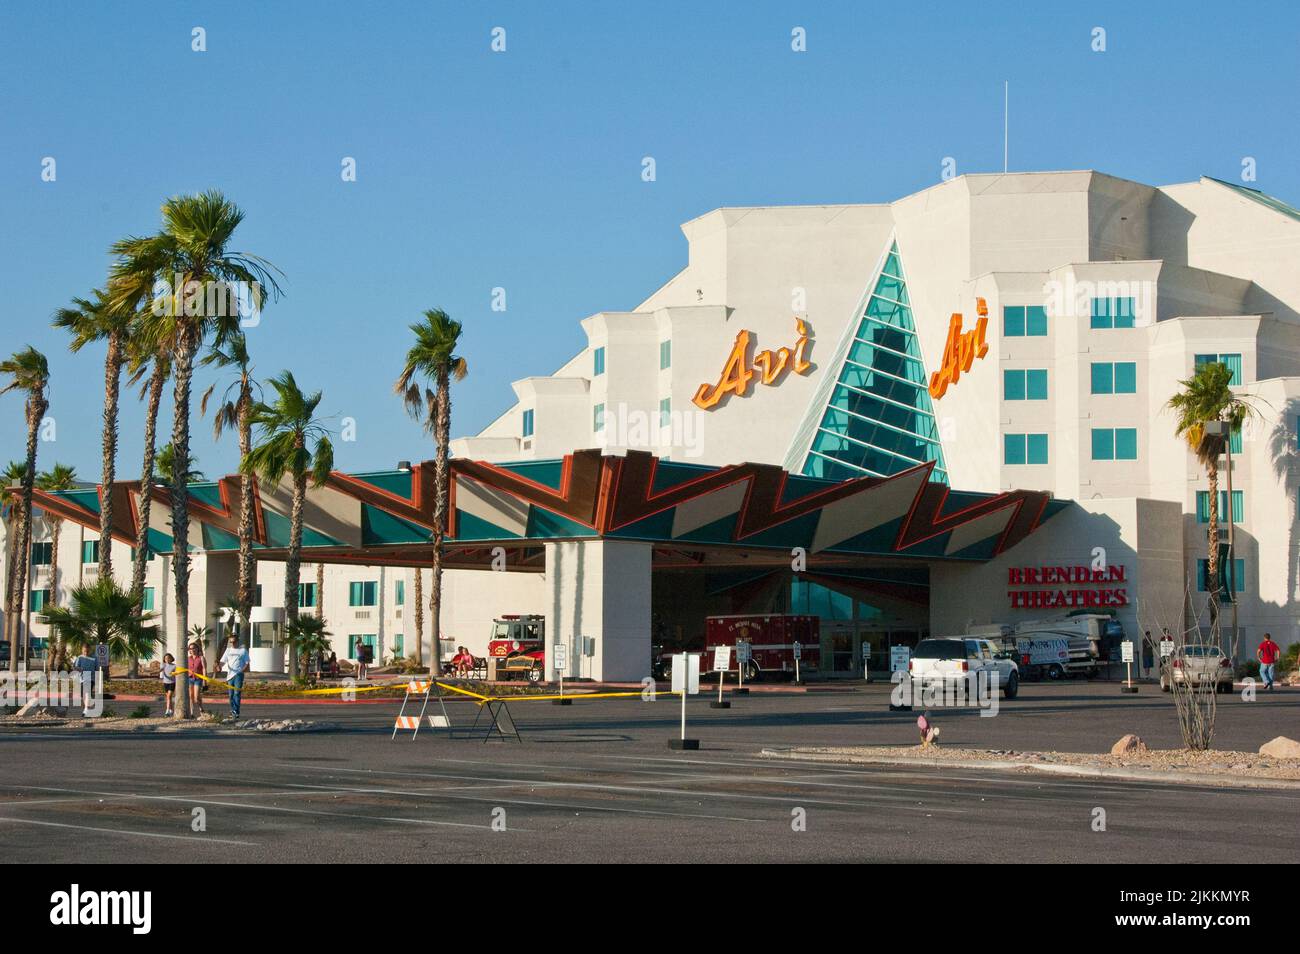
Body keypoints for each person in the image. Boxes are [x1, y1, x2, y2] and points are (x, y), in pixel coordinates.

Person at [218, 634, 251, 718]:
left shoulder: (243, 650)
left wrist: (241, 671)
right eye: (231, 642)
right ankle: (232, 710)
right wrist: (219, 666)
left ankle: (236, 711)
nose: (232, 643)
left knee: (237, 693)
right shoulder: (228, 650)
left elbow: (247, 663)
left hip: (238, 675)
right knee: (230, 695)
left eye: (234, 642)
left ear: (237, 641)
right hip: (230, 675)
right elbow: (223, 661)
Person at [187, 641, 206, 716]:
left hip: (198, 679)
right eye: (190, 649)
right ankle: (191, 712)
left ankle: (201, 708)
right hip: (190, 678)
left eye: (193, 648)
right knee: (190, 696)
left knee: (196, 696)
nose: (192, 650)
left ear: (197, 649)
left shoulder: (201, 658)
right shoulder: (188, 658)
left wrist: (205, 680)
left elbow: (204, 669)